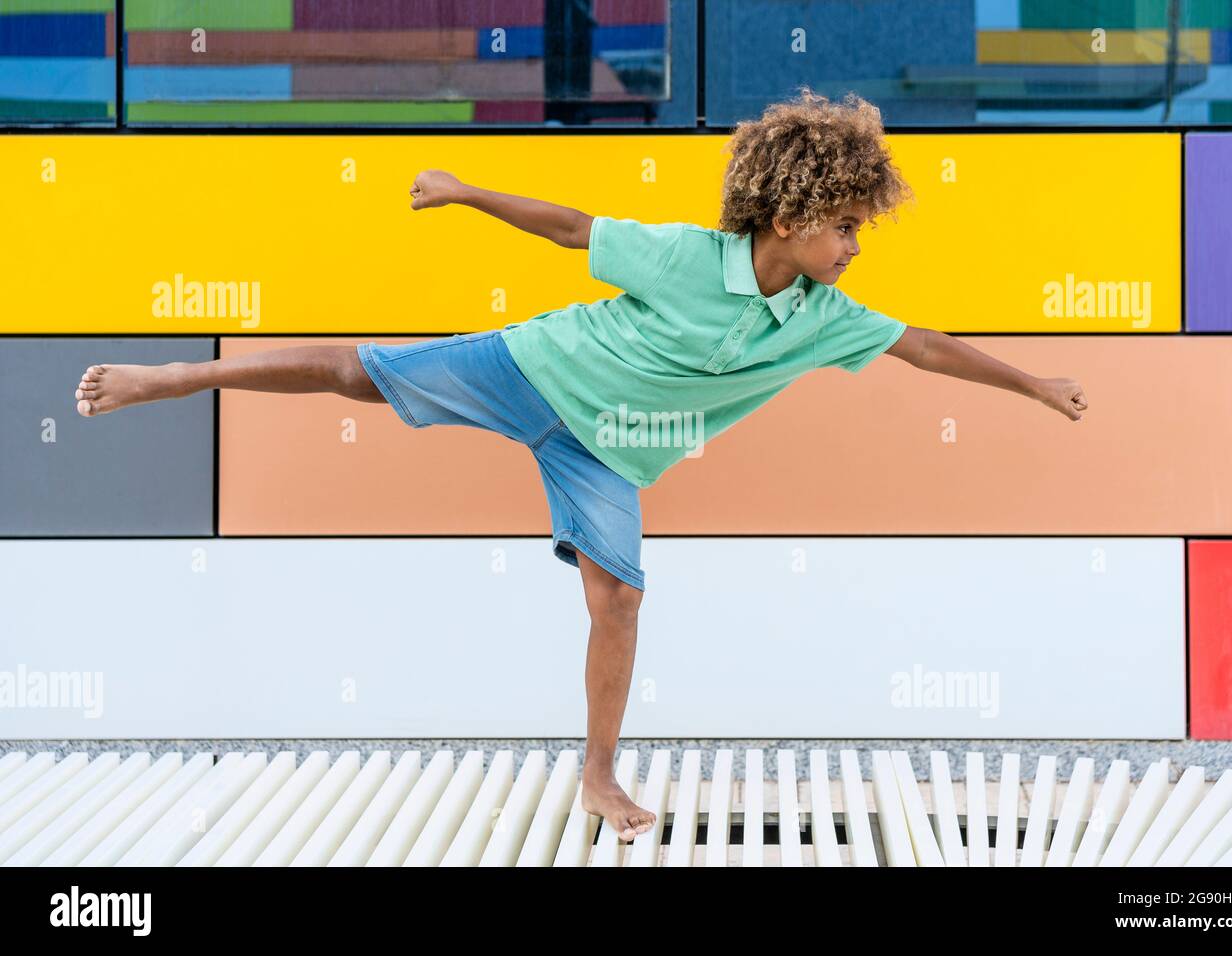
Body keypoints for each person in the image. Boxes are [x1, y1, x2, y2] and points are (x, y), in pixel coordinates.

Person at [72, 87, 1087, 845]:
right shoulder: (684, 257)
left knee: (620, 600)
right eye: (845, 225)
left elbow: (925, 345)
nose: (857, 244)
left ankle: (597, 775)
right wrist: (466, 190)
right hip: (536, 369)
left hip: (606, 451)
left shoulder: (825, 319)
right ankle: (171, 376)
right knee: (352, 373)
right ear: (788, 218)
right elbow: (568, 227)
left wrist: (1034, 384)